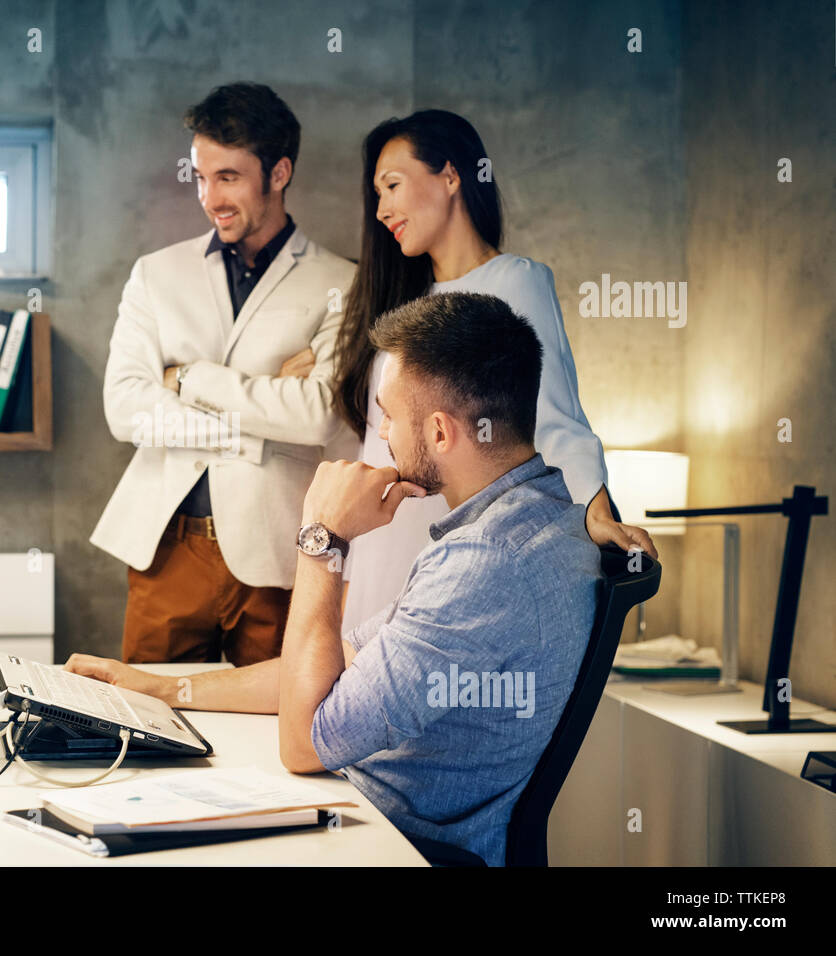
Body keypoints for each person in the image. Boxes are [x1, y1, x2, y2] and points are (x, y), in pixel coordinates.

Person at [68, 292, 606, 866]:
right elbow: (345, 662)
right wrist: (164, 691)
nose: (383, 434)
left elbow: (304, 743)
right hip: (358, 810)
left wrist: (321, 538)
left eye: (389, 416)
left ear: (441, 433)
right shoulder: (541, 516)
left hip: (387, 841)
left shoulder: (483, 564)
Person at [331, 110, 655, 634]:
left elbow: (555, 418)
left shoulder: (514, 282)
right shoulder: (396, 298)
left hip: (454, 538)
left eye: (392, 185)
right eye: (377, 194)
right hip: (378, 537)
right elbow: (373, 435)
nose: (382, 208)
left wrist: (594, 512)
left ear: (450, 176)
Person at [90, 82, 356, 666]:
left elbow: (316, 417)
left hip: (278, 548)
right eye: (201, 177)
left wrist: (186, 378)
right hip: (167, 547)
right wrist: (261, 418)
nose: (210, 198)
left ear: (279, 172)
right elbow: (125, 408)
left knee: (273, 710)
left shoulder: (341, 282)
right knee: (147, 710)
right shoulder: (156, 273)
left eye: (228, 177)